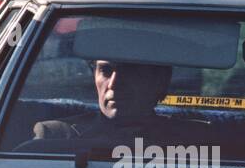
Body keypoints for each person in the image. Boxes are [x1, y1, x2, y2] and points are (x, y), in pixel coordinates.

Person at [31, 58, 201, 143]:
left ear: (161, 81)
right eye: (105, 70)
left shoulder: (193, 143)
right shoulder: (55, 136)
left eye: (131, 72)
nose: (114, 83)